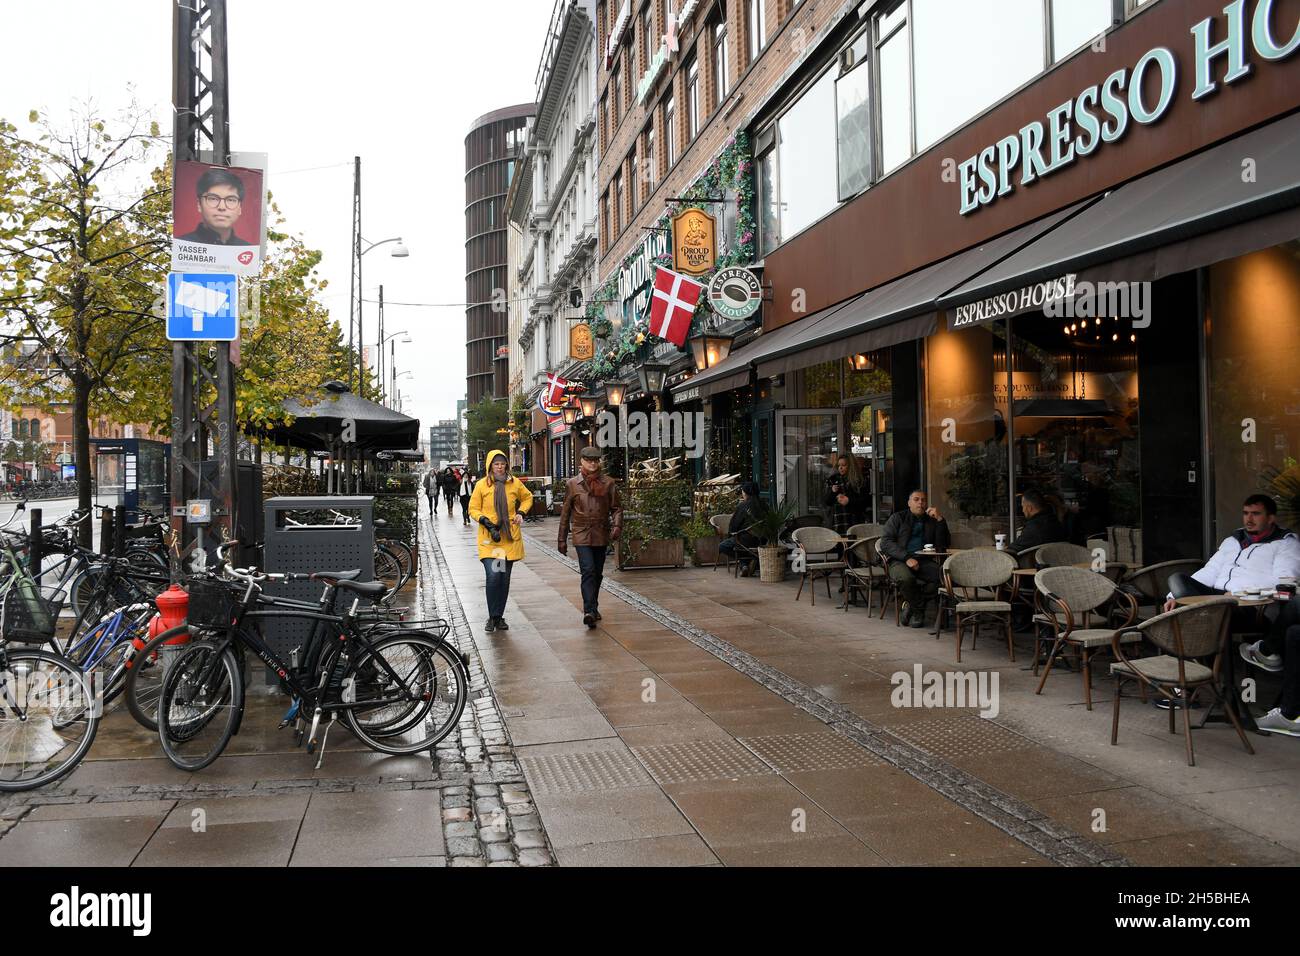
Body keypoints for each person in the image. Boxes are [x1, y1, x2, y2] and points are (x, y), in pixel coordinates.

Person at [557, 447, 623, 628]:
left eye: (595, 461)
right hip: (581, 533)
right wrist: (561, 539)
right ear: (582, 462)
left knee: (598, 572)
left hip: (601, 533)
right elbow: (565, 513)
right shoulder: (572, 484)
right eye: (588, 460)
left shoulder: (608, 483)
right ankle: (589, 611)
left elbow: (616, 508)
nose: (592, 464)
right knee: (588, 570)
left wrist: (617, 525)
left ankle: (593, 606)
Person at [469, 450, 533, 633]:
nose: (499, 467)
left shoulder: (514, 483)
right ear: (490, 466)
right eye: (496, 464)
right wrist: (484, 520)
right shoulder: (482, 485)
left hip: (508, 538)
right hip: (492, 540)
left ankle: (499, 616)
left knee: (503, 579)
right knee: (494, 576)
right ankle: (492, 616)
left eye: (502, 464)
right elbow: (472, 508)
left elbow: (527, 497)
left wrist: (521, 513)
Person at [880, 489, 950, 628]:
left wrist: (940, 520)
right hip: (899, 560)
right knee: (906, 578)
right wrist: (906, 558)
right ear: (909, 503)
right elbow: (886, 542)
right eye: (916, 499)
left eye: (923, 500)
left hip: (923, 561)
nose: (920, 503)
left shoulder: (931, 521)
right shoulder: (898, 518)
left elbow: (943, 544)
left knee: (943, 577)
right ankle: (918, 611)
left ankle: (912, 605)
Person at [177, 167, 255, 245]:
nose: (222, 207)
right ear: (199, 204)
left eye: (231, 200)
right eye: (213, 199)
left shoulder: (247, 250)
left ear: (240, 208)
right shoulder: (182, 246)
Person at [720, 481, 767, 577]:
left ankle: (746, 562)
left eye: (742, 491)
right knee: (740, 545)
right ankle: (749, 562)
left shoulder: (743, 506)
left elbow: (734, 525)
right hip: (763, 540)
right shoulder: (764, 504)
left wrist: (731, 535)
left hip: (744, 540)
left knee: (722, 546)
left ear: (745, 493)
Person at [823, 455, 867, 537]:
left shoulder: (858, 480)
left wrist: (848, 500)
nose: (840, 468)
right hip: (836, 521)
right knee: (838, 545)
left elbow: (865, 501)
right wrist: (832, 492)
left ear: (851, 466)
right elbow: (827, 501)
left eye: (844, 465)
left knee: (852, 545)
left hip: (853, 520)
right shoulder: (832, 479)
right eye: (839, 465)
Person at [1012, 489, 1067, 553]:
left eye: (1023, 507)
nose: (1023, 510)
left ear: (1029, 508)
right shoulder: (1055, 522)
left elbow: (1014, 548)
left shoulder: (1034, 528)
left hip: (1037, 562)